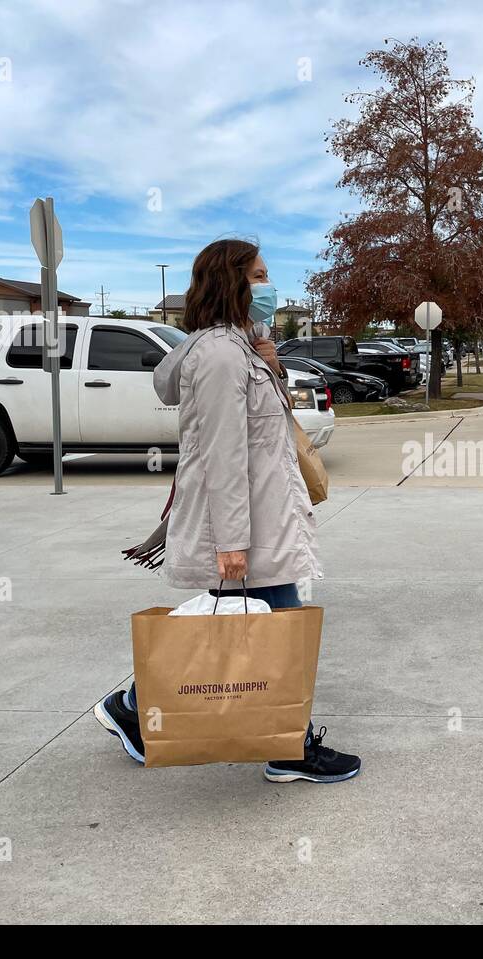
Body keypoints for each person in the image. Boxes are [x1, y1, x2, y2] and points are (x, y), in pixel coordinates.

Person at [96, 238, 360, 784]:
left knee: (264, 626)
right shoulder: (218, 354)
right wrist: (232, 542)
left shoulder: (242, 347)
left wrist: (274, 368)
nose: (268, 286)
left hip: (262, 514)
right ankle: (287, 748)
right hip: (245, 521)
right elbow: (223, 453)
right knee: (277, 627)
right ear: (230, 282)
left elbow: (266, 427)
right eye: (259, 276)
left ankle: (139, 705)